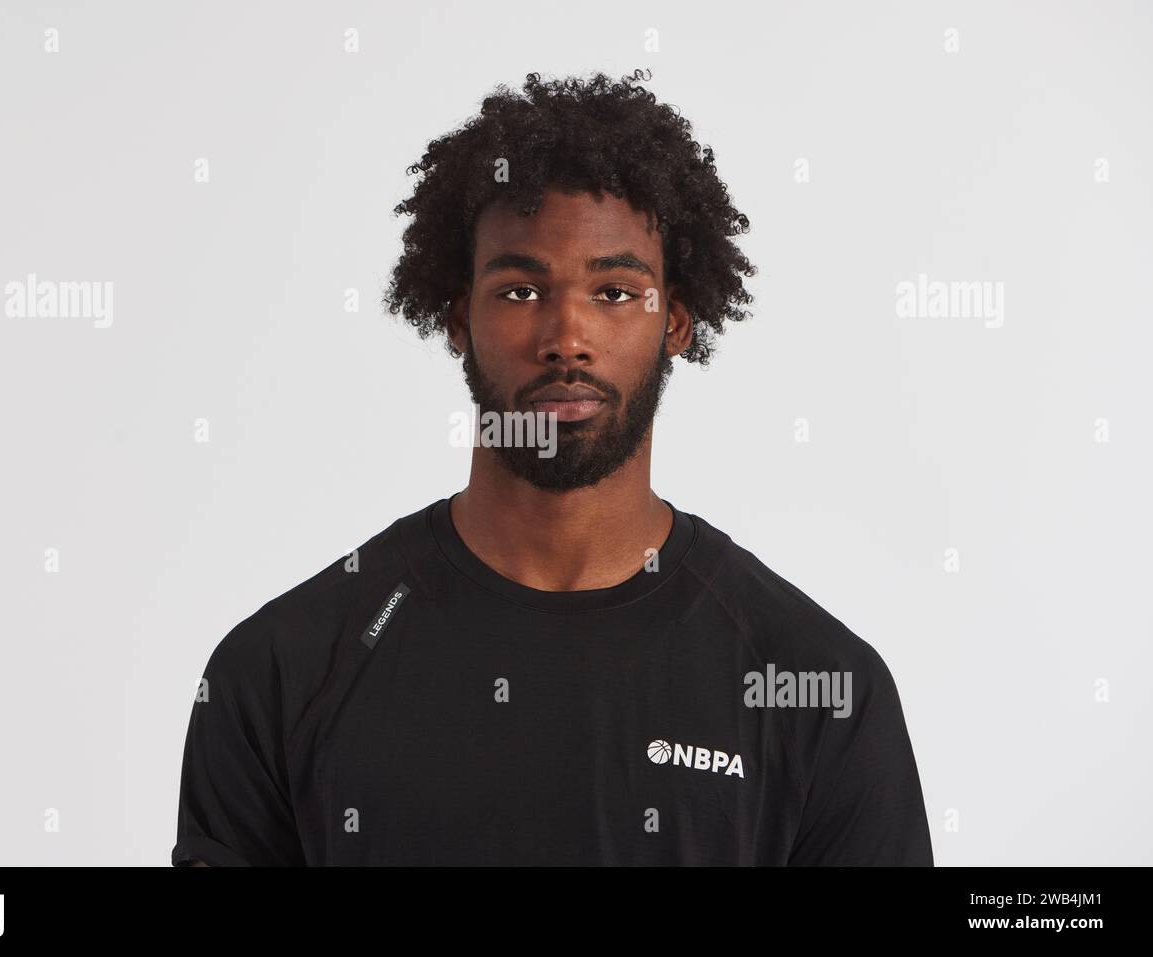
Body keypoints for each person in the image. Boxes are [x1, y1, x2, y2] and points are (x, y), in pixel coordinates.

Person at [171, 69, 933, 866]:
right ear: (456, 318)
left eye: (612, 290)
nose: (566, 335)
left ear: (675, 321)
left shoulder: (815, 686)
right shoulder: (280, 670)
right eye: (520, 289)